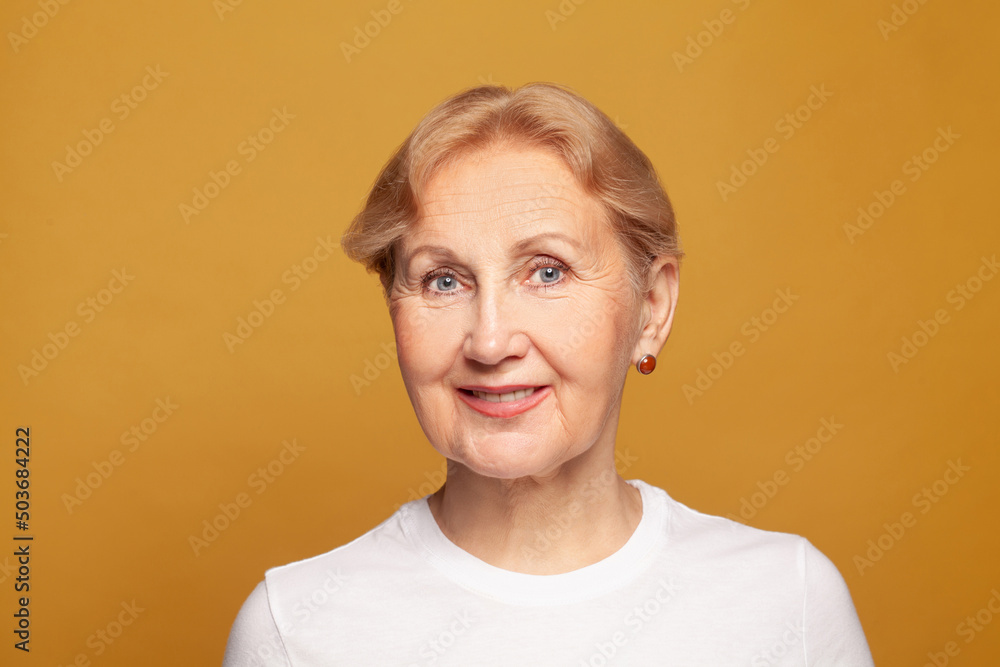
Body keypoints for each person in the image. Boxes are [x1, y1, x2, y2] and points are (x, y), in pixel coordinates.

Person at [222, 82, 874, 665]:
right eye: (443, 280)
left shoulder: (787, 601)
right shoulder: (293, 629)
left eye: (548, 272)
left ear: (651, 308)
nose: (490, 340)